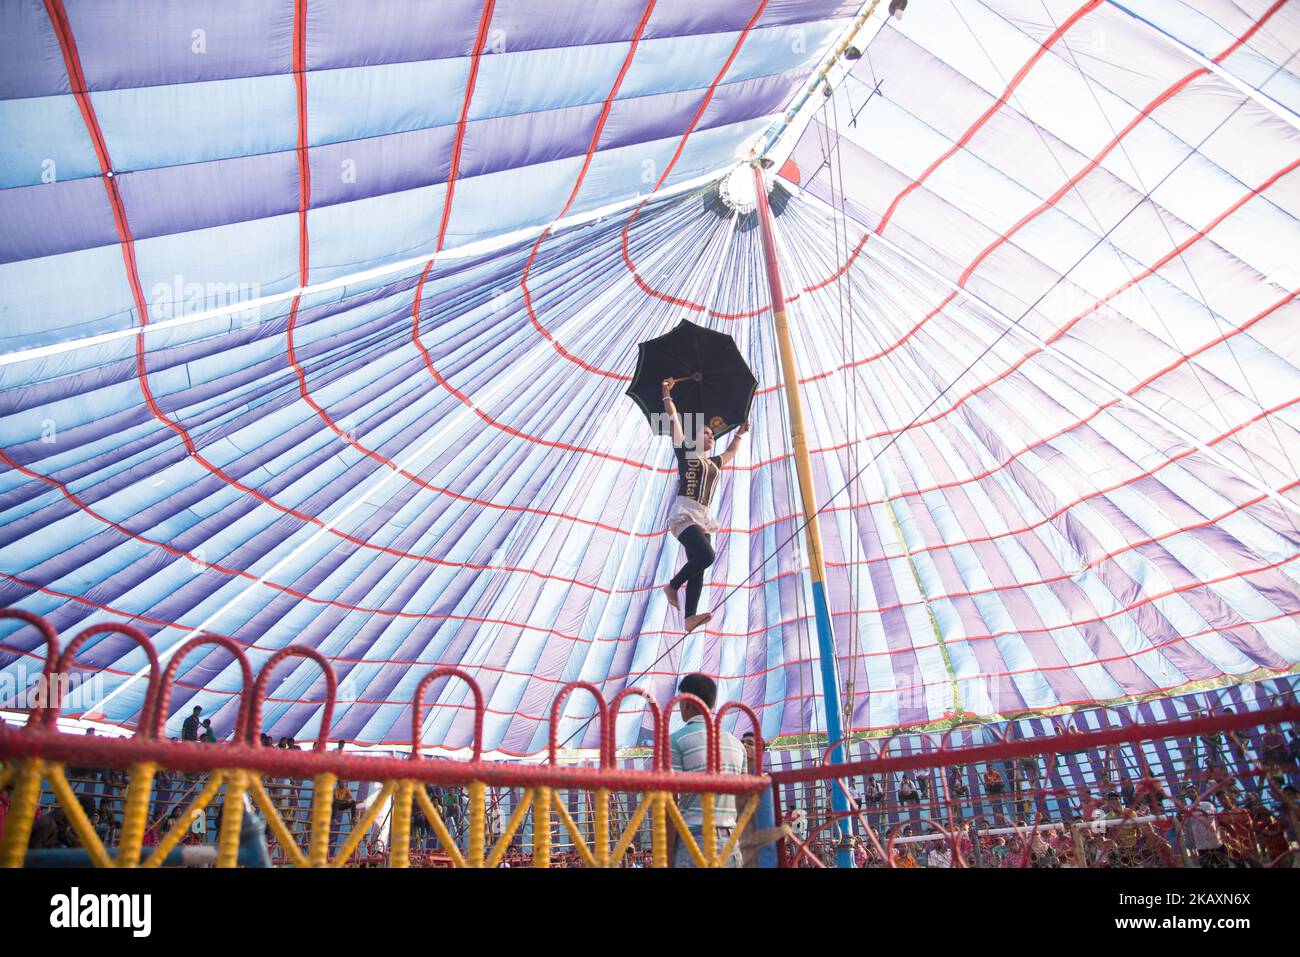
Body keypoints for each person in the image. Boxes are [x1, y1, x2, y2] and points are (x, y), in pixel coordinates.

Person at [659, 377, 749, 633]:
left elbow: (731, 452)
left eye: (712, 435)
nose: (711, 437)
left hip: (704, 517)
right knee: (706, 556)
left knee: (699, 566)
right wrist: (667, 394)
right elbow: (674, 420)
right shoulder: (686, 452)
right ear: (694, 437)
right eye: (706, 433)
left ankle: (689, 617)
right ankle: (673, 585)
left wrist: (740, 433)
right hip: (686, 513)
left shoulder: (715, 463)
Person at [667, 673, 746, 867]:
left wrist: (667, 855)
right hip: (731, 843)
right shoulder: (737, 745)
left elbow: (668, 803)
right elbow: (743, 802)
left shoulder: (675, 741)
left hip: (695, 842)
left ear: (686, 702)